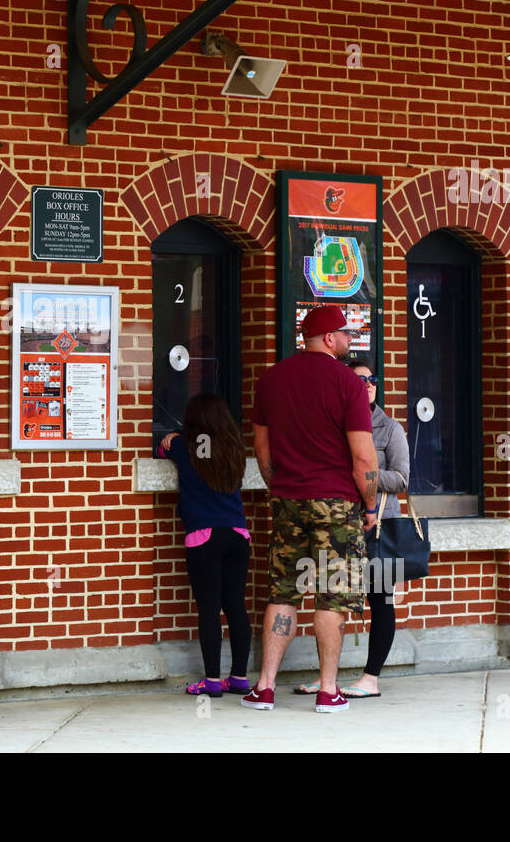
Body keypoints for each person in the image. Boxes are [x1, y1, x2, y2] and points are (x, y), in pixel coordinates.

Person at [242, 304, 380, 714]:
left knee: (283, 591)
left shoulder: (272, 379)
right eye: (344, 334)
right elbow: (364, 460)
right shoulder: (348, 384)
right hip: (336, 505)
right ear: (327, 337)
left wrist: (281, 488)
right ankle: (328, 691)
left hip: (288, 501)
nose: (349, 340)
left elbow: (262, 451)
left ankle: (264, 687)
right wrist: (369, 505)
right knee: (332, 597)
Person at [295, 358, 409, 699]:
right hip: (338, 525)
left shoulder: (390, 429)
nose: (368, 384)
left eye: (372, 379)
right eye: (359, 380)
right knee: (332, 600)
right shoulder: (333, 425)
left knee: (381, 600)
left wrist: (363, 473)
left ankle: (370, 678)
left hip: (381, 528)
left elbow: (402, 478)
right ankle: (327, 679)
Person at [158, 394, 252, 698]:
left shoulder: (185, 447)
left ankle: (211, 681)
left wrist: (171, 437)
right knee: (236, 606)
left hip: (204, 536)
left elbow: (161, 450)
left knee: (209, 609)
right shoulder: (234, 448)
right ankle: (239, 677)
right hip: (238, 534)